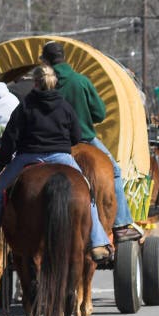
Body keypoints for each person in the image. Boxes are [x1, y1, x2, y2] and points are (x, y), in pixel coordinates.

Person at [0, 65, 112, 263]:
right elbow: (77, 136)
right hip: (61, 157)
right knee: (88, 191)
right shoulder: (64, 105)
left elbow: (10, 138)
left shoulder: (25, 105)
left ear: (36, 83)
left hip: (28, 156)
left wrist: (1, 164)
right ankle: (98, 242)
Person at [40, 41, 142, 242]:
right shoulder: (81, 81)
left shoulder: (45, 85)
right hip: (86, 138)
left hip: (55, 144)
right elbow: (100, 113)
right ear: (64, 57)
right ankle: (121, 225)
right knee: (114, 171)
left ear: (46, 61)